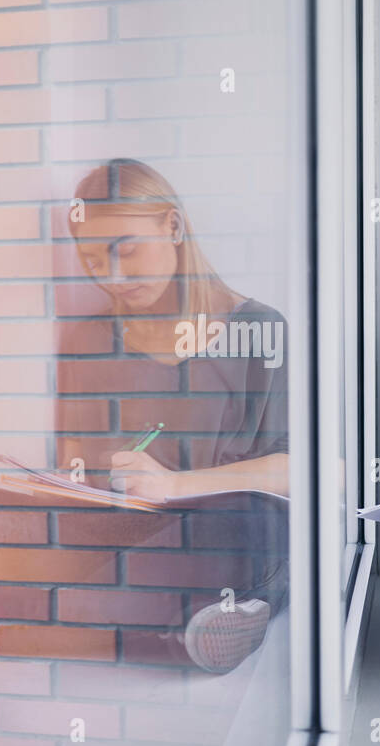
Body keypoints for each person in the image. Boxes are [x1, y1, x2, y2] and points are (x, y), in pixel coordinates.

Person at [58, 158, 289, 674]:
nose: (113, 276)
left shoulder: (260, 329)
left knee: (244, 521)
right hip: (126, 526)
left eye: (126, 249)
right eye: (93, 260)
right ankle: (183, 623)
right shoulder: (85, 341)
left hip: (227, 524)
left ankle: (135, 617)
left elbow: (300, 469)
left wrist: (174, 485)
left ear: (173, 226)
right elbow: (72, 459)